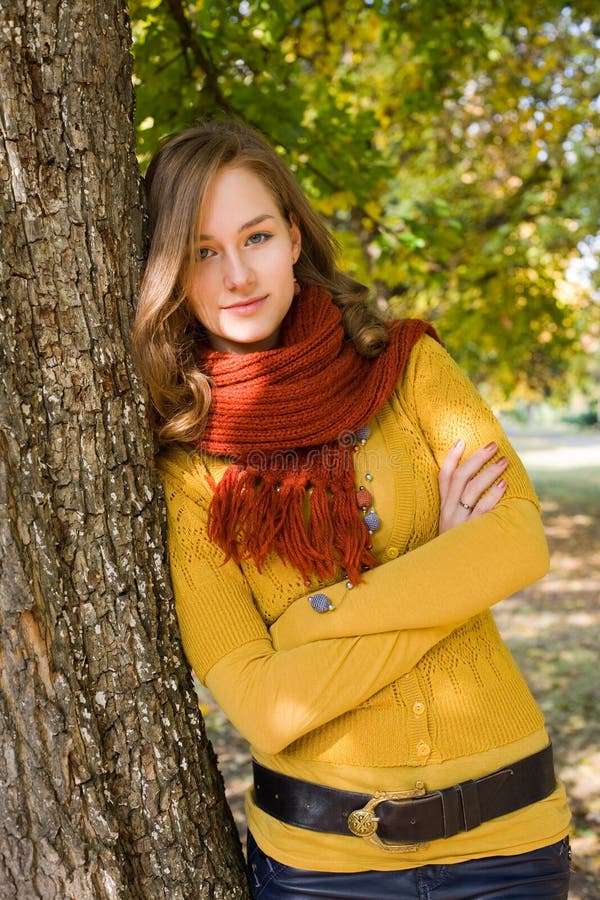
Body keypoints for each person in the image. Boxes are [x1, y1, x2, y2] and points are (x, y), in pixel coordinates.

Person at [132, 118, 571, 899]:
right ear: (171, 270)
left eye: (257, 236)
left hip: (514, 841)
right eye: (203, 251)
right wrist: (447, 570)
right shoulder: (188, 468)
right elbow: (266, 708)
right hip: (325, 868)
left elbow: (517, 543)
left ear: (295, 239)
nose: (237, 273)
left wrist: (310, 621)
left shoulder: (407, 365)